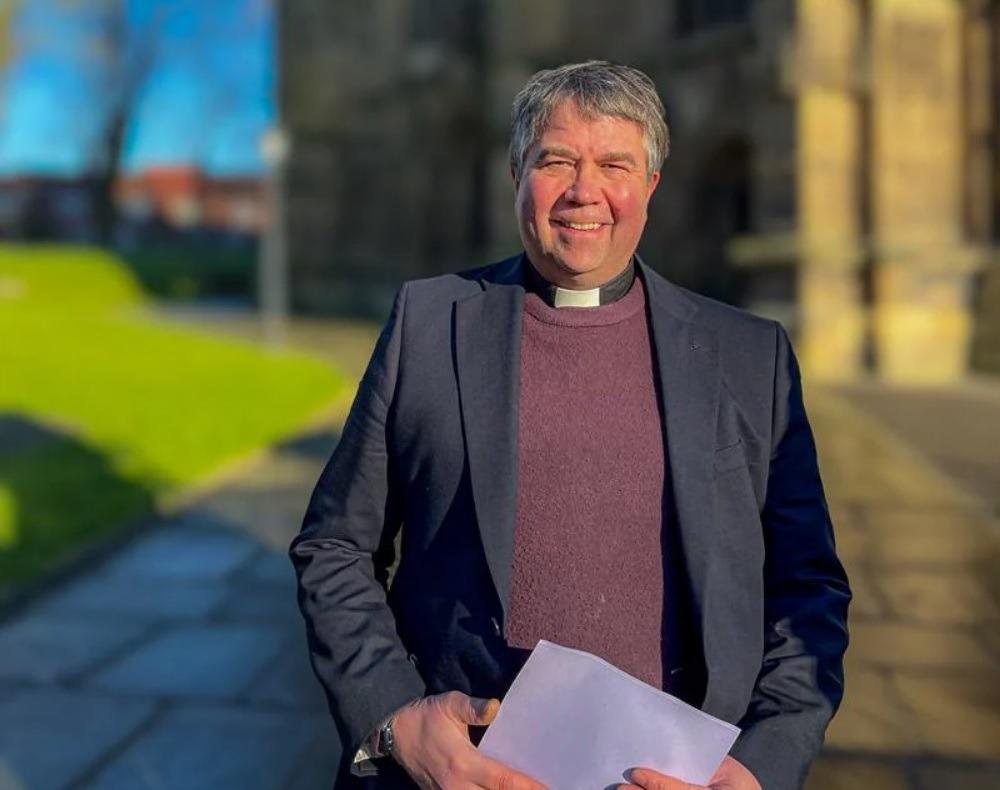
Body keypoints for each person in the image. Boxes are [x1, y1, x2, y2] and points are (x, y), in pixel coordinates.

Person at [290, 60, 850, 790]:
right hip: (459, 772)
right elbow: (335, 546)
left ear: (650, 184)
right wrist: (395, 717)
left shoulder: (749, 354)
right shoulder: (428, 325)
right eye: (556, 161)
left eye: (615, 163)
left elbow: (806, 588)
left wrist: (757, 768)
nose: (585, 191)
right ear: (516, 173)